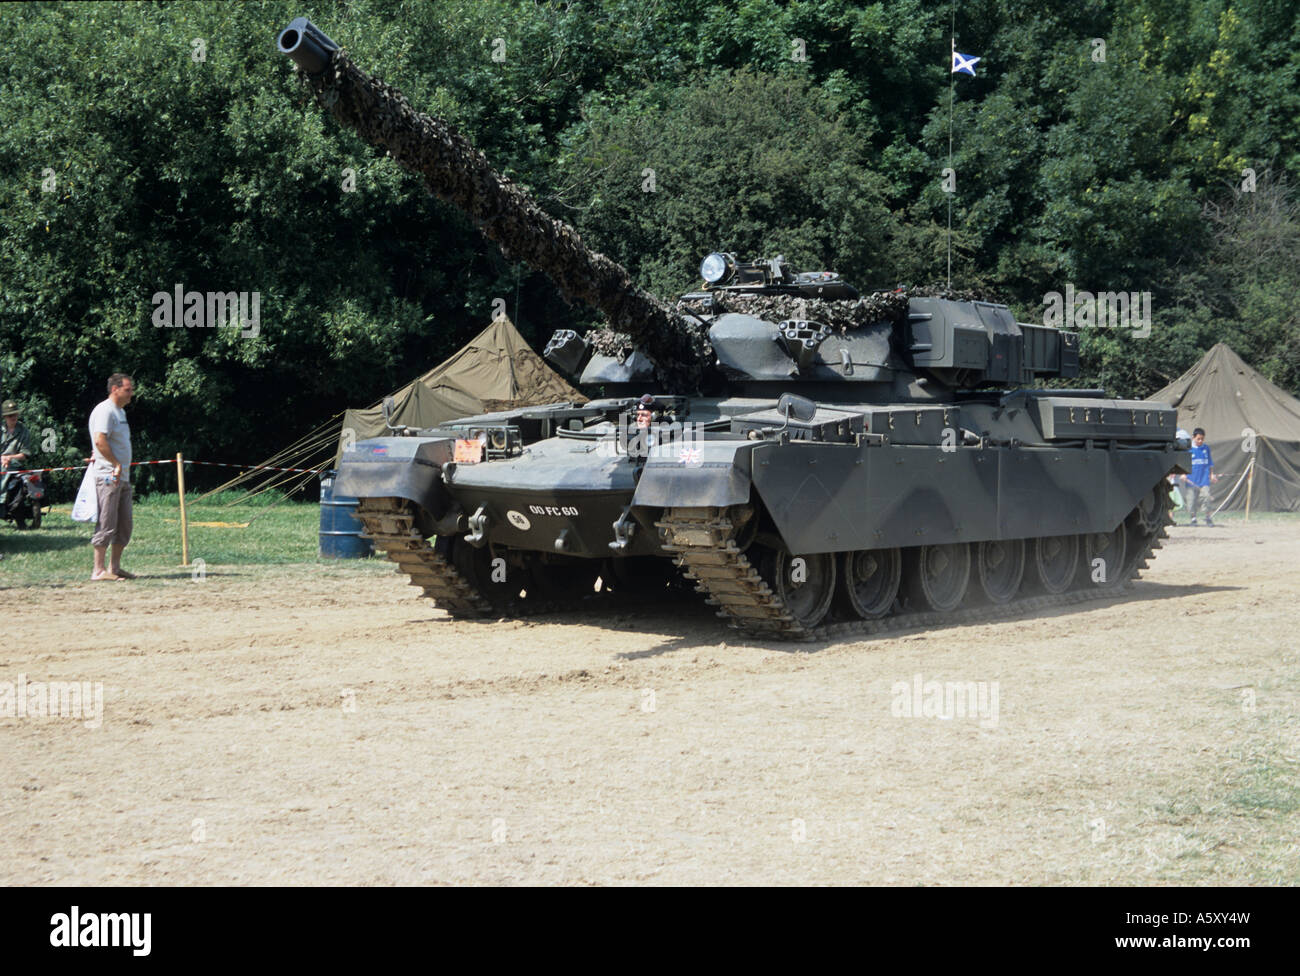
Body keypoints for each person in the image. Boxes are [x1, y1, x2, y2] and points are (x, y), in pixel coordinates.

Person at [88, 374, 136, 581]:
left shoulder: (120, 412)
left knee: (124, 524)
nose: (131, 393)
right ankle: (98, 570)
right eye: (128, 389)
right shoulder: (105, 411)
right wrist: (115, 464)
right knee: (107, 522)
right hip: (108, 475)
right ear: (115, 389)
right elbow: (100, 441)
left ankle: (114, 568)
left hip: (122, 477)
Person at [1183, 427, 1220, 527]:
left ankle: (1208, 517)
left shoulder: (1206, 448)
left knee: (1206, 497)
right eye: (1198, 439)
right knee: (1191, 501)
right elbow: (1182, 463)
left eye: (1202, 439)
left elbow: (1210, 463)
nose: (1200, 441)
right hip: (1191, 479)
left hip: (1204, 479)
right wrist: (1183, 474)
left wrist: (1211, 475)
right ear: (1193, 437)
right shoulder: (1188, 449)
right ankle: (1193, 519)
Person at [1, 400, 31, 503]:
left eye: (15, 414)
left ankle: (1, 501)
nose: (13, 417)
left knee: (4, 468)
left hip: (15, 463)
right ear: (5, 417)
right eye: (10, 415)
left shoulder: (24, 430)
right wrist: (2, 458)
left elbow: (24, 454)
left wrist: (9, 458)